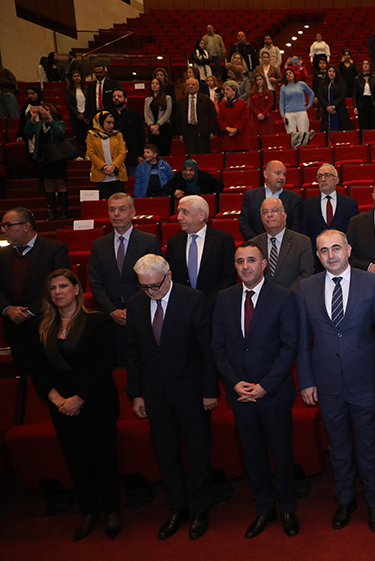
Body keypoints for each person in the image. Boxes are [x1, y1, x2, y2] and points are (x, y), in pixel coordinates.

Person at [296, 229, 375, 533]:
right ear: (318, 255)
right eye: (324, 251)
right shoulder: (306, 287)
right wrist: (306, 381)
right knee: (337, 447)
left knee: (369, 446)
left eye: (336, 248)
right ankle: (345, 501)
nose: (331, 255)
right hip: (326, 384)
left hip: (365, 382)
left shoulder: (371, 282)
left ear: (348, 249)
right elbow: (302, 340)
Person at [126, 254, 218, 541]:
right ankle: (177, 508)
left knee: (198, 451)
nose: (150, 292)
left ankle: (202, 509)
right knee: (166, 453)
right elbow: (133, 353)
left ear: (168, 276)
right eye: (144, 287)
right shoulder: (135, 303)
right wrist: (135, 393)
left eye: (154, 286)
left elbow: (208, 350)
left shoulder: (194, 299)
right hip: (155, 394)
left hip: (191, 393)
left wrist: (210, 391)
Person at [212, 241, 300, 539]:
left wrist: (265, 386)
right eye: (240, 261)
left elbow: (290, 346)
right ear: (235, 266)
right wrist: (234, 382)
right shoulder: (224, 298)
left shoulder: (283, 297)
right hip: (239, 394)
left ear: (264, 264)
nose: (245, 266)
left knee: (281, 453)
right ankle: (264, 508)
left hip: (273, 393)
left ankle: (287, 506)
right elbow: (218, 347)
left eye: (251, 260)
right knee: (253, 455)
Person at [31, 270, 121, 542]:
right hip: (61, 407)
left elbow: (105, 365)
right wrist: (58, 400)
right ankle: (88, 511)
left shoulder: (98, 322)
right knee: (76, 459)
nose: (58, 292)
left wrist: (78, 399)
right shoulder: (44, 326)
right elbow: (37, 369)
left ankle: (112, 510)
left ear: (77, 289)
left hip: (96, 402)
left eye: (63, 286)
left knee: (102, 458)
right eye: (53, 288)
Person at [0, 208, 71, 419]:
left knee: (51, 374)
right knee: (25, 374)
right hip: (15, 327)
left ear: (26, 226)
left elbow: (62, 285)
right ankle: (28, 414)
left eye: (7, 225)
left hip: (46, 324)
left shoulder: (54, 249)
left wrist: (30, 311)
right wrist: (7, 309)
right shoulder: (3, 255)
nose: (3, 230)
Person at [88, 193, 162, 360]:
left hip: (141, 314)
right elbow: (95, 282)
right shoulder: (99, 245)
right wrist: (112, 310)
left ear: (133, 212)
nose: (116, 214)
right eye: (112, 209)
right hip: (110, 317)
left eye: (122, 209)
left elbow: (154, 280)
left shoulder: (149, 241)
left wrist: (133, 309)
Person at [166, 195, 236, 301]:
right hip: (184, 304)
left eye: (185, 212)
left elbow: (229, 276)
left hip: (215, 305)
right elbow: (171, 277)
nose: (179, 217)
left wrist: (209, 301)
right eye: (179, 212)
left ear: (201, 215)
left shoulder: (223, 239)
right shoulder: (174, 242)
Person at [299, 164, 360, 270]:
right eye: (320, 176)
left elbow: (355, 233)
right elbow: (305, 235)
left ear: (337, 179)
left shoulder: (349, 203)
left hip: (343, 261)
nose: (323, 179)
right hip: (317, 264)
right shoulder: (307, 205)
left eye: (327, 175)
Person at [249, 197, 314, 290]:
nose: (270, 215)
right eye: (265, 212)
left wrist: (286, 297)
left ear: (284, 216)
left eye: (274, 211)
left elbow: (306, 275)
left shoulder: (302, 242)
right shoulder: (253, 244)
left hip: (292, 299)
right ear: (262, 219)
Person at [23, 102, 69, 219]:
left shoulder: (59, 123)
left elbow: (59, 132)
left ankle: (64, 212)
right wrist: (33, 118)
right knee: (48, 185)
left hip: (57, 157)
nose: (44, 112)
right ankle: (52, 212)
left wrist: (49, 119)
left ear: (52, 112)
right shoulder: (38, 125)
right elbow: (27, 132)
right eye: (42, 110)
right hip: (43, 158)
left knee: (60, 184)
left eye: (47, 110)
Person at [239, 160, 303, 241]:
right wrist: (257, 242)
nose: (282, 177)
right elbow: (244, 222)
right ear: (266, 174)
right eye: (278, 173)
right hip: (256, 246)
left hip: (285, 246)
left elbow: (296, 226)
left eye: (284, 174)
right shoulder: (251, 196)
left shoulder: (294, 198)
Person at [86, 111, 128, 199]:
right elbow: (91, 153)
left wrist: (113, 166)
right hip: (101, 173)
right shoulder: (91, 135)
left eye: (113, 123)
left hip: (117, 174)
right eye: (108, 122)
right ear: (100, 122)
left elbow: (122, 153)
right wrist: (104, 166)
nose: (111, 125)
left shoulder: (118, 134)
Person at [173, 78, 218, 155]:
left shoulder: (205, 99)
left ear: (198, 87)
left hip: (203, 130)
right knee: (191, 154)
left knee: (204, 153)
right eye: (188, 85)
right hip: (188, 130)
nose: (190, 86)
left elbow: (213, 116)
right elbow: (178, 118)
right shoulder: (181, 101)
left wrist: (212, 131)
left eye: (192, 84)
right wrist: (180, 133)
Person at [110, 89, 146, 176]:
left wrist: (140, 154)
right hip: (113, 158)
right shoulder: (108, 116)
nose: (116, 98)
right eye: (114, 97)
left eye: (119, 96)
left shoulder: (135, 116)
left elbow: (141, 136)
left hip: (132, 156)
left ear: (126, 99)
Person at [278, 67, 316, 143]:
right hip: (289, 113)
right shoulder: (283, 88)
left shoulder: (301, 84)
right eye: (286, 74)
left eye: (290, 73)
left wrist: (309, 105)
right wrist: (283, 115)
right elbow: (281, 102)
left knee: (304, 134)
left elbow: (311, 93)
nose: (288, 75)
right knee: (291, 136)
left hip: (301, 112)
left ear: (294, 74)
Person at [217, 80, 251, 152]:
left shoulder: (243, 104)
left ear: (234, 91)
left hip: (241, 139)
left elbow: (245, 119)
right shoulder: (222, 105)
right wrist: (227, 128)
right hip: (228, 138)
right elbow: (219, 119)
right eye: (224, 89)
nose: (225, 91)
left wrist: (235, 129)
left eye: (227, 89)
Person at [317, 65, 352, 133]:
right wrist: (327, 106)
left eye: (333, 71)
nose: (331, 73)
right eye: (330, 71)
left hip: (340, 109)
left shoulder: (341, 83)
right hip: (327, 110)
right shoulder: (323, 83)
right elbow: (320, 96)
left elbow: (343, 95)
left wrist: (333, 106)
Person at [144, 78, 173, 156]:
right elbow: (146, 114)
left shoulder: (167, 98)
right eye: (153, 83)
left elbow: (167, 113)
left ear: (160, 86)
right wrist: (151, 126)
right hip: (152, 128)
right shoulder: (147, 99)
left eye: (156, 83)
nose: (154, 85)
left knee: (163, 151)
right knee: (152, 152)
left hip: (163, 127)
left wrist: (158, 125)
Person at [353, 60, 375, 130]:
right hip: (362, 103)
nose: (365, 65)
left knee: (374, 123)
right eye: (364, 64)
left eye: (367, 64)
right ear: (361, 66)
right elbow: (355, 94)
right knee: (363, 123)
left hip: (373, 102)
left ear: (370, 66)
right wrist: (355, 106)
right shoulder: (357, 79)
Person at [64, 71, 89, 147]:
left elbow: (89, 102)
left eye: (78, 76)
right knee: (78, 136)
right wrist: (77, 114)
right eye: (74, 76)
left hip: (86, 116)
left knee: (87, 136)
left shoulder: (86, 89)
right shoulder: (68, 89)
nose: (76, 78)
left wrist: (85, 115)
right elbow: (68, 103)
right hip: (75, 116)